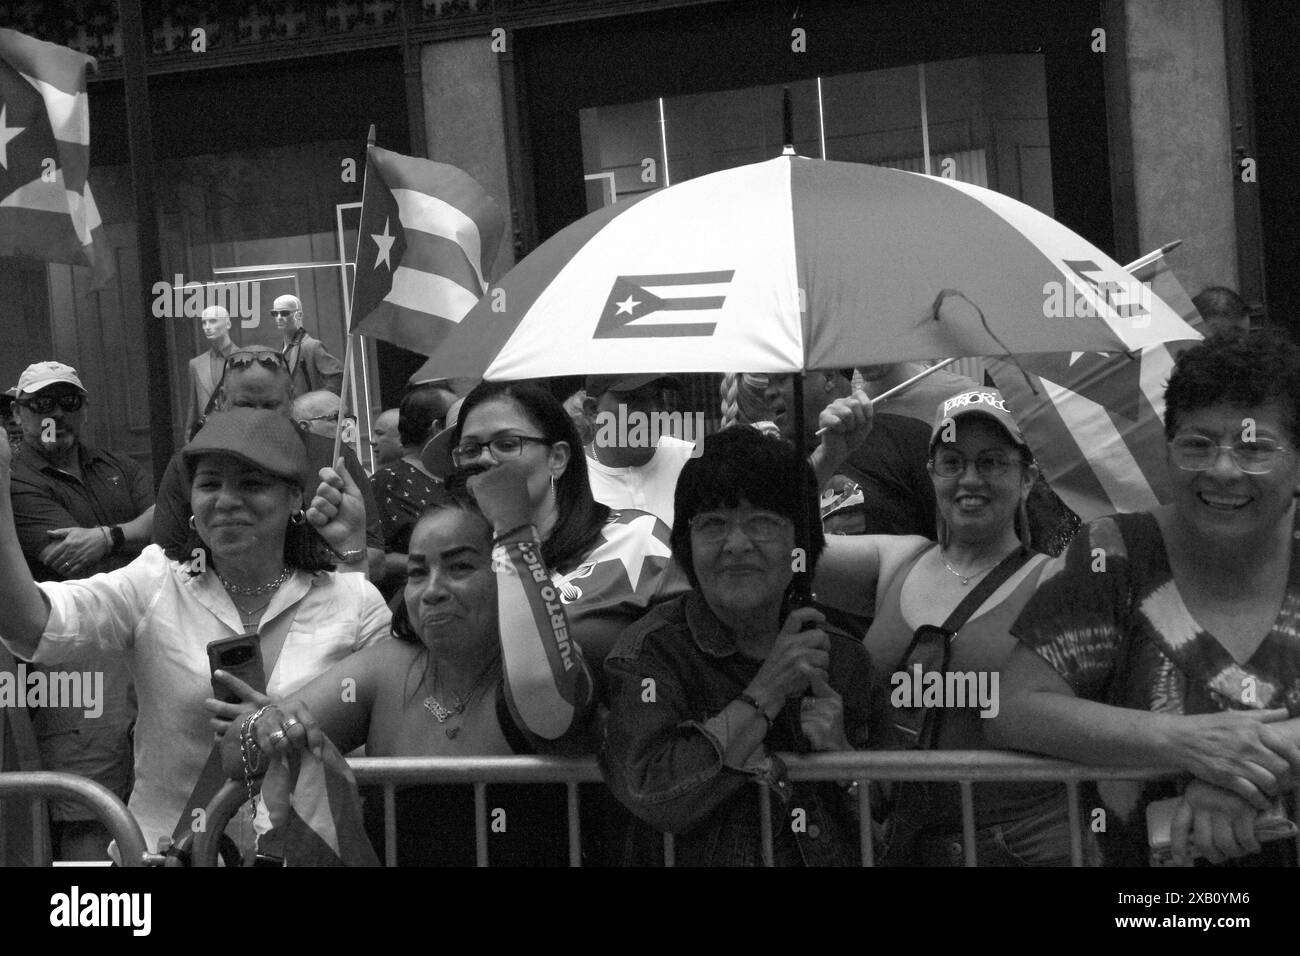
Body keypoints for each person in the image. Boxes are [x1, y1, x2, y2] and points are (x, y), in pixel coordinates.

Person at [0, 407, 390, 855]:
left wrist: (281, 732)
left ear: (295, 499)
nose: (226, 500)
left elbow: (381, 747)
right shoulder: (153, 581)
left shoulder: (354, 602)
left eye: (252, 484)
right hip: (167, 854)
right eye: (209, 484)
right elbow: (31, 626)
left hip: (306, 858)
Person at [991, 329, 1300, 867]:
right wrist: (1188, 743)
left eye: (1255, 448)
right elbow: (1015, 709)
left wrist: (1239, 773)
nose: (1223, 470)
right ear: (1166, 451)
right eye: (1198, 445)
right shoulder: (1112, 553)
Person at [212, 493, 596, 865]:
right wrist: (264, 728)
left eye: (459, 567)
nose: (431, 591)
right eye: (416, 572)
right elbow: (234, 754)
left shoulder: (548, 674)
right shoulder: (386, 670)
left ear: (508, 577)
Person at [813, 386, 1080, 865]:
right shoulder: (895, 560)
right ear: (931, 474)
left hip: (1023, 848)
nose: (970, 479)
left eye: (993, 462)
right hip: (906, 846)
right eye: (952, 462)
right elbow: (779, 545)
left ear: (1027, 478)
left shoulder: (1058, 580)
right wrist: (830, 455)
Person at [602, 426, 875, 866]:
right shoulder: (650, 655)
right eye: (713, 524)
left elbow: (888, 826)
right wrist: (765, 693)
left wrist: (844, 763)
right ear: (687, 545)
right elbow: (653, 793)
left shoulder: (841, 657)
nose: (736, 545)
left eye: (762, 523)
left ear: (799, 542)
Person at [7, 361, 155, 860]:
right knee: (89, 806)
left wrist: (108, 536)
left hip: (140, 646)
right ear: (18, 411)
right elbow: (65, 559)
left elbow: (169, 525)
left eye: (67, 402)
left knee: (147, 801)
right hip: (70, 660)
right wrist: (132, 534)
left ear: (84, 408)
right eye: (41, 404)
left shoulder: (117, 465)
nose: (56, 415)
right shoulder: (15, 479)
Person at [152, 346, 385, 576]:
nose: (259, 416)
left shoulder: (334, 457)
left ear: (291, 398)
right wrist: (213, 572)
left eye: (270, 406)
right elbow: (170, 558)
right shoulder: (191, 461)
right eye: (246, 405)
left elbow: (373, 553)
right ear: (222, 400)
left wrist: (309, 571)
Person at [764, 369, 934, 536]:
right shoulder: (770, 462)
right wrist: (826, 457)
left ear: (828, 377)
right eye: (767, 383)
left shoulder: (906, 437)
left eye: (781, 379)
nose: (768, 393)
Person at [370, 389, 454, 599]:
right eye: (456, 423)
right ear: (437, 428)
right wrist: (428, 562)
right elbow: (371, 557)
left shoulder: (460, 474)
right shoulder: (387, 481)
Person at [583, 374, 696, 526]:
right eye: (633, 399)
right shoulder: (566, 482)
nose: (653, 411)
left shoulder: (693, 462)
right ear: (593, 411)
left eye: (658, 397)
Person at [272, 294, 344, 396]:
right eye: (275, 313)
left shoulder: (312, 346)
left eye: (284, 313)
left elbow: (338, 376)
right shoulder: (280, 351)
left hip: (308, 410)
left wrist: (318, 403)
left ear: (299, 315)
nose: (279, 317)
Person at [184, 305, 236, 439]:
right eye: (204, 322)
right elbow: (193, 408)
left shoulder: (245, 359)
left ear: (228, 323)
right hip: (207, 439)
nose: (207, 326)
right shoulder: (196, 364)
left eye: (213, 321)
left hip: (237, 437)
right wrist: (188, 440)